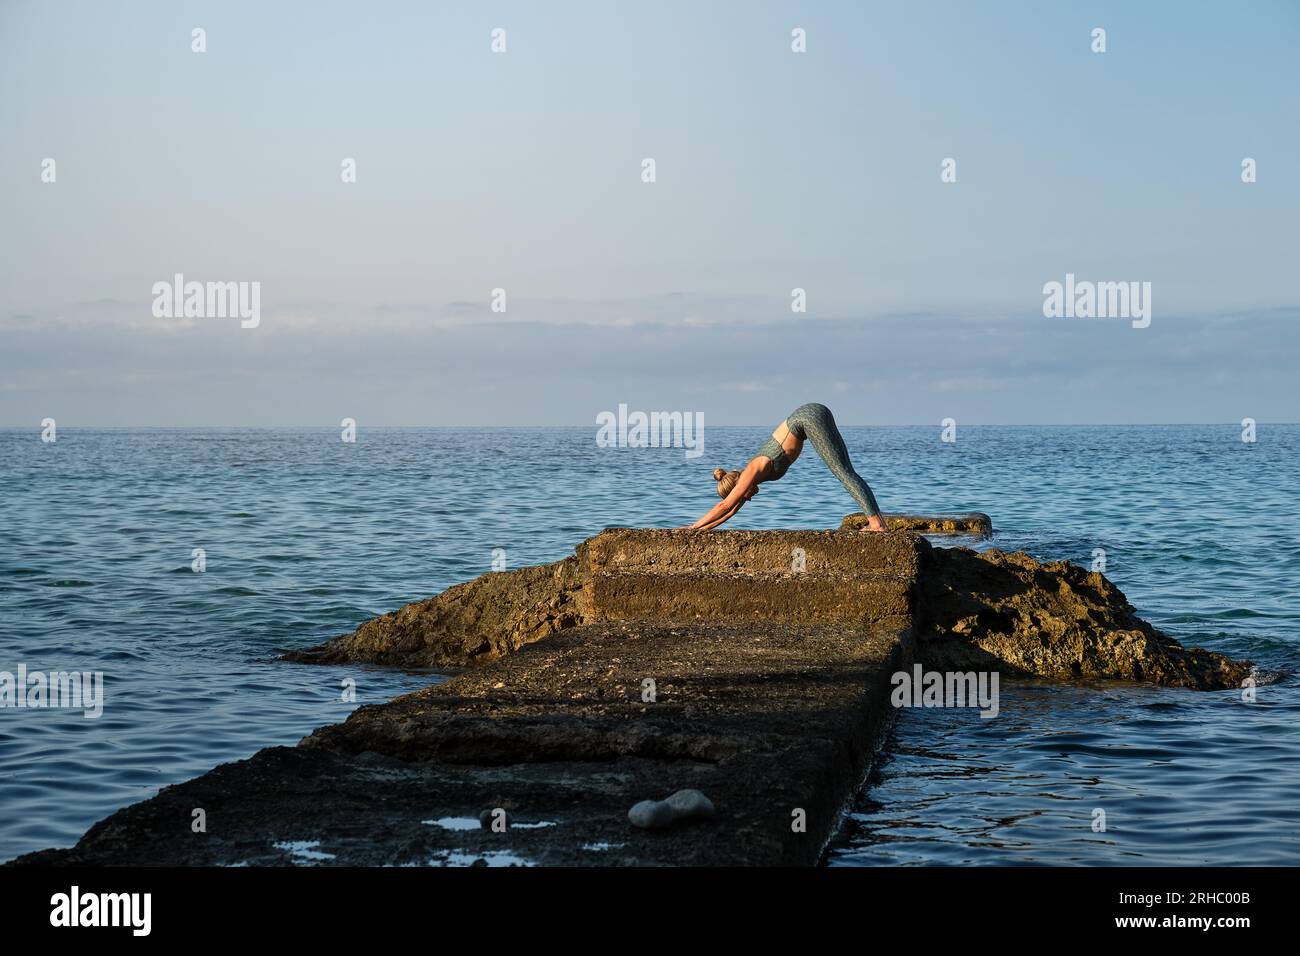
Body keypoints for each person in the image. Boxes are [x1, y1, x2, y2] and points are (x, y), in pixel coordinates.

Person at [687, 403, 888, 532]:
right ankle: (878, 522)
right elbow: (730, 513)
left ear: (738, 486)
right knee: (846, 471)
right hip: (812, 415)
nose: (748, 498)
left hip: (807, 418)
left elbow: (724, 506)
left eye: (742, 496)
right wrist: (700, 530)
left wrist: (693, 526)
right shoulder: (750, 480)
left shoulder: (750, 471)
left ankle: (877, 524)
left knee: (844, 473)